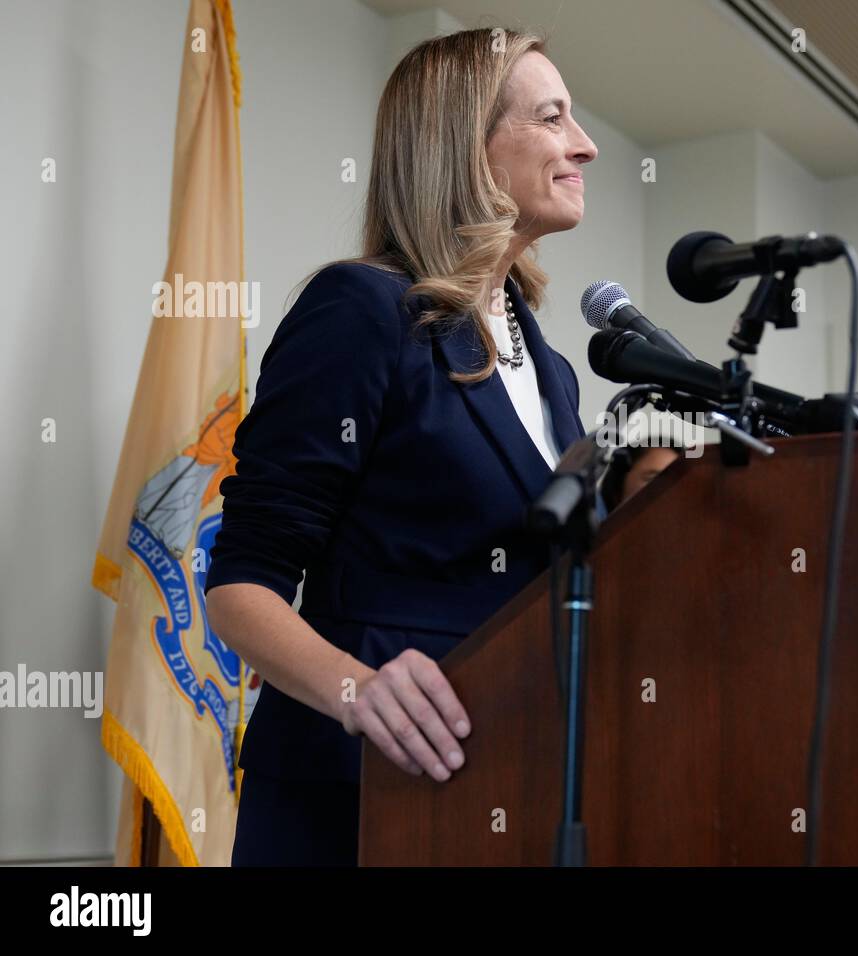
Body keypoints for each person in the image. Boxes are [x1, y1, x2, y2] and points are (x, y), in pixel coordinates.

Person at [203, 28, 598, 866]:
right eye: (554, 117)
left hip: (504, 787)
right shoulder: (363, 311)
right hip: (354, 801)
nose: (585, 145)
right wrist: (361, 691)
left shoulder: (553, 368)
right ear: (467, 146)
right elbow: (241, 585)